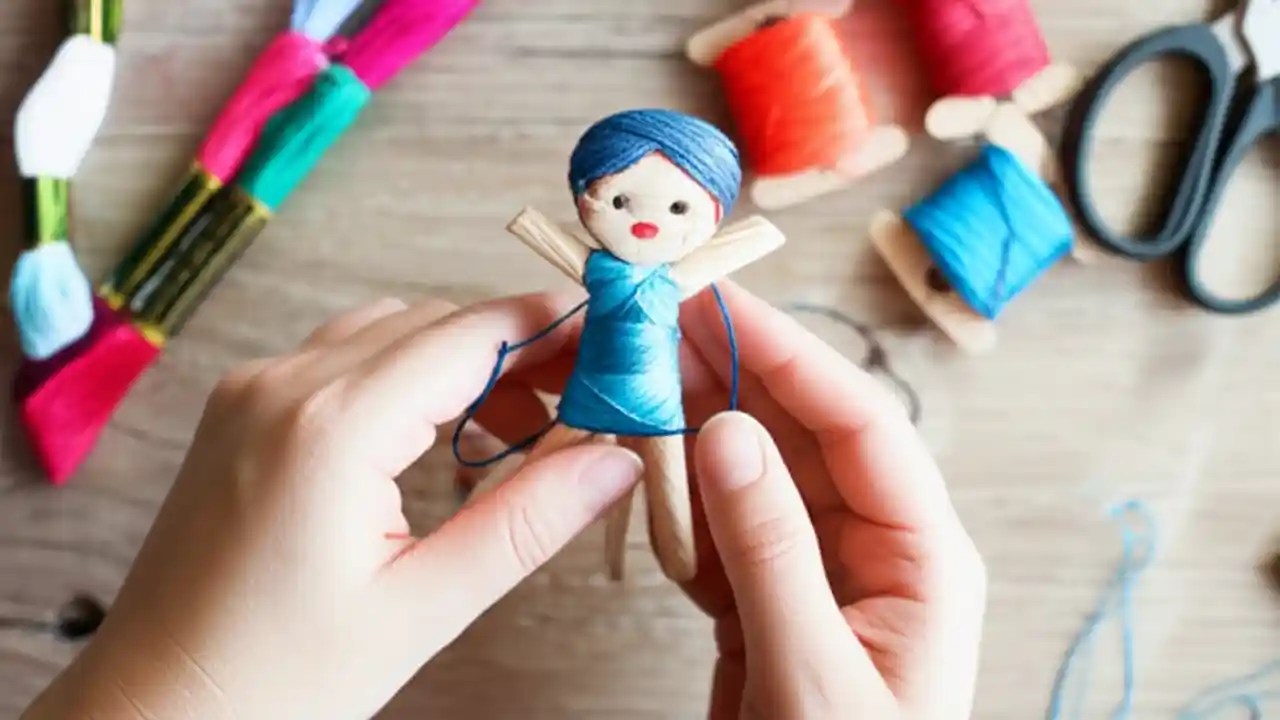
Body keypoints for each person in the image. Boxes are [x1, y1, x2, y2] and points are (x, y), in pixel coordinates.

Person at [21, 284, 986, 719]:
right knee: (584, 478)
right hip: (601, 398)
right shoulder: (615, 279)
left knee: (633, 496)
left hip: (643, 406)